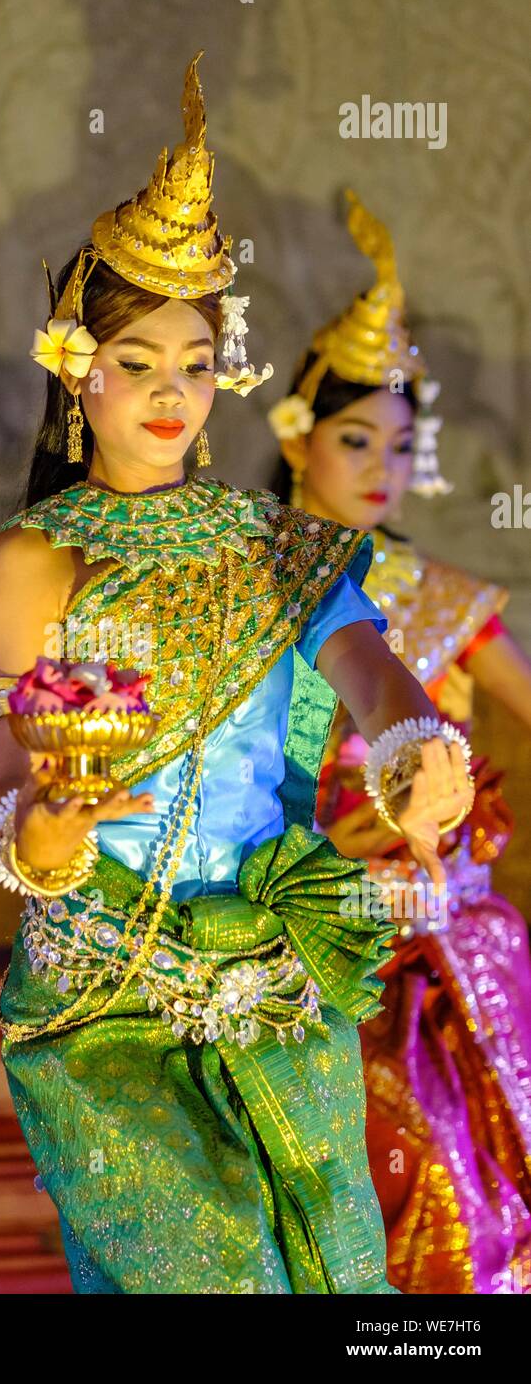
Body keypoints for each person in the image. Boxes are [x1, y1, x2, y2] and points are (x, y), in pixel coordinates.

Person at [0, 55, 474, 1295]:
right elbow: (8, 779)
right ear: (77, 367)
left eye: (192, 364)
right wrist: (40, 835)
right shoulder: (44, 561)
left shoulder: (278, 549)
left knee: (335, 1280)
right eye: (136, 361)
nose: (167, 392)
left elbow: (366, 665)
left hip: (274, 978)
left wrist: (419, 750)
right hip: (105, 1001)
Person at [269, 189, 531, 1294]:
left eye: (401, 445)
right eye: (354, 437)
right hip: (288, 943)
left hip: (438, 948)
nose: (379, 466)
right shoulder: (248, 592)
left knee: (454, 1198)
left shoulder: (445, 600)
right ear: (295, 433)